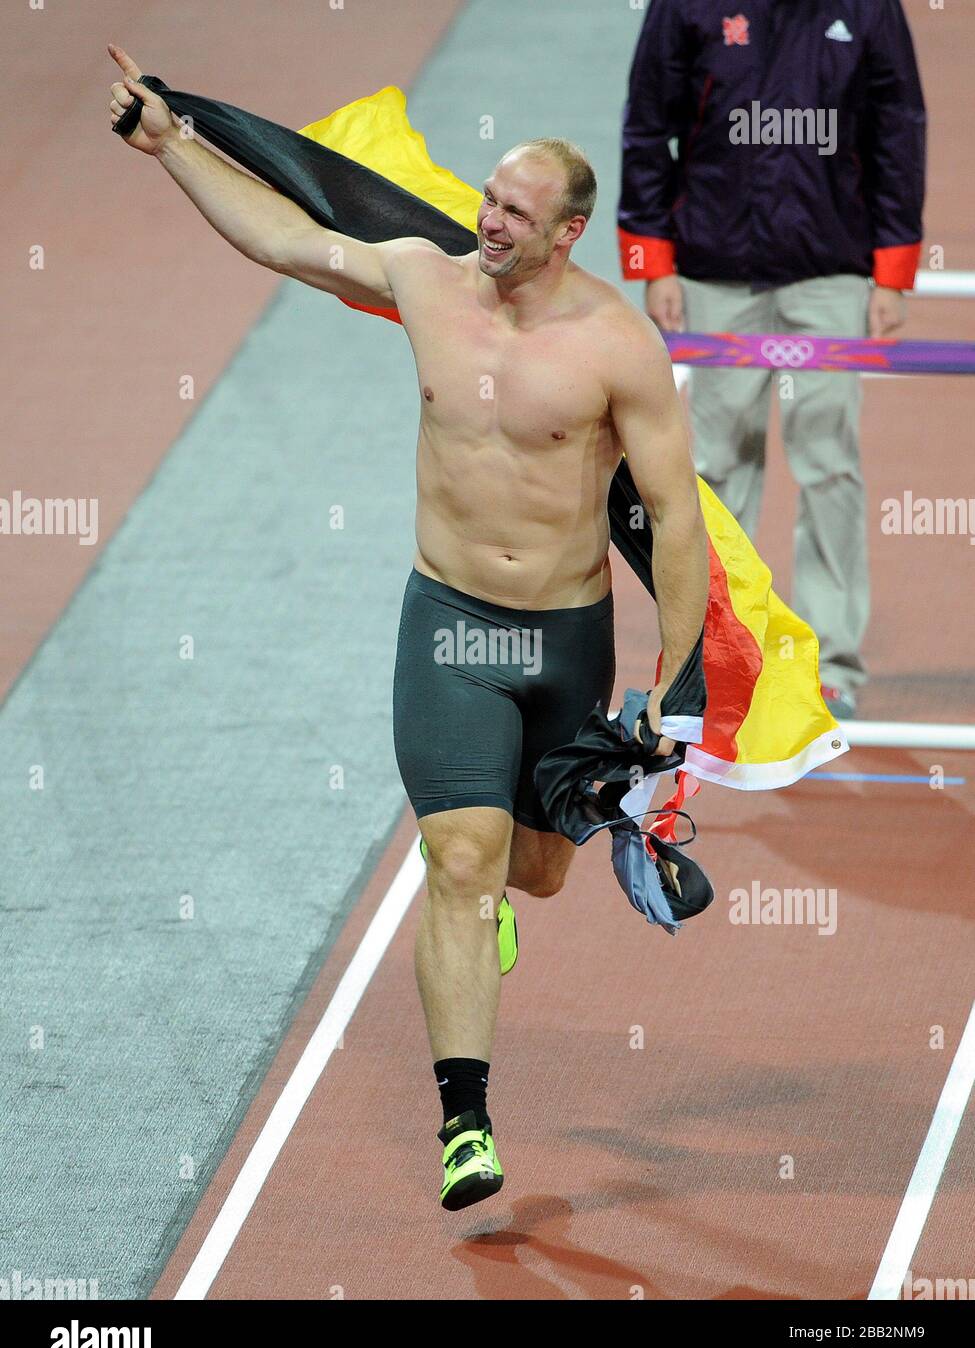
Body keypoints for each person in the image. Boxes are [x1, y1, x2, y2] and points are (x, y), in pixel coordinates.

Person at [109, 43, 709, 1210]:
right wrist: (175, 146)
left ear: (567, 233)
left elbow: (677, 527)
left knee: (533, 873)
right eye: (487, 197)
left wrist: (671, 688)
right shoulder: (424, 278)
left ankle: (519, 877)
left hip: (565, 638)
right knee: (461, 861)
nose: (487, 220)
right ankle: (467, 1122)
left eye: (514, 212)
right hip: (449, 630)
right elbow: (287, 239)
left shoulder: (618, 348)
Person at [618, 0, 926, 719]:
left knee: (827, 461)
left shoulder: (867, 8)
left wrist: (891, 273)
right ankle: (718, 656)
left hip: (831, 270)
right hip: (715, 267)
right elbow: (646, 123)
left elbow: (897, 131)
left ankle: (830, 666)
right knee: (718, 463)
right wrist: (652, 261)